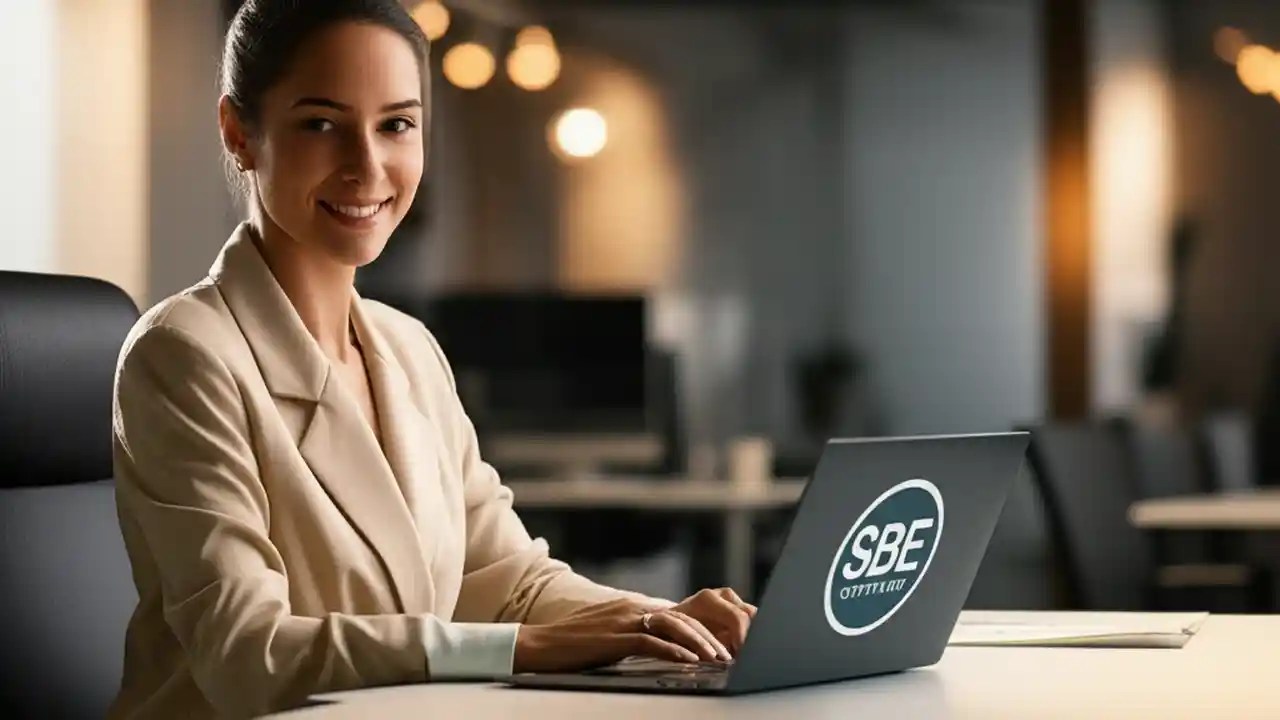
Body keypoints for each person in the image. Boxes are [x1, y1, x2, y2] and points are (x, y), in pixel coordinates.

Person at [109, 1, 754, 717]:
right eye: (322, 124)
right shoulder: (185, 355)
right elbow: (248, 653)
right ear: (239, 134)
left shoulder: (409, 350)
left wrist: (664, 622)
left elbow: (509, 582)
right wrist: (516, 649)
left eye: (397, 125)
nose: (368, 164)